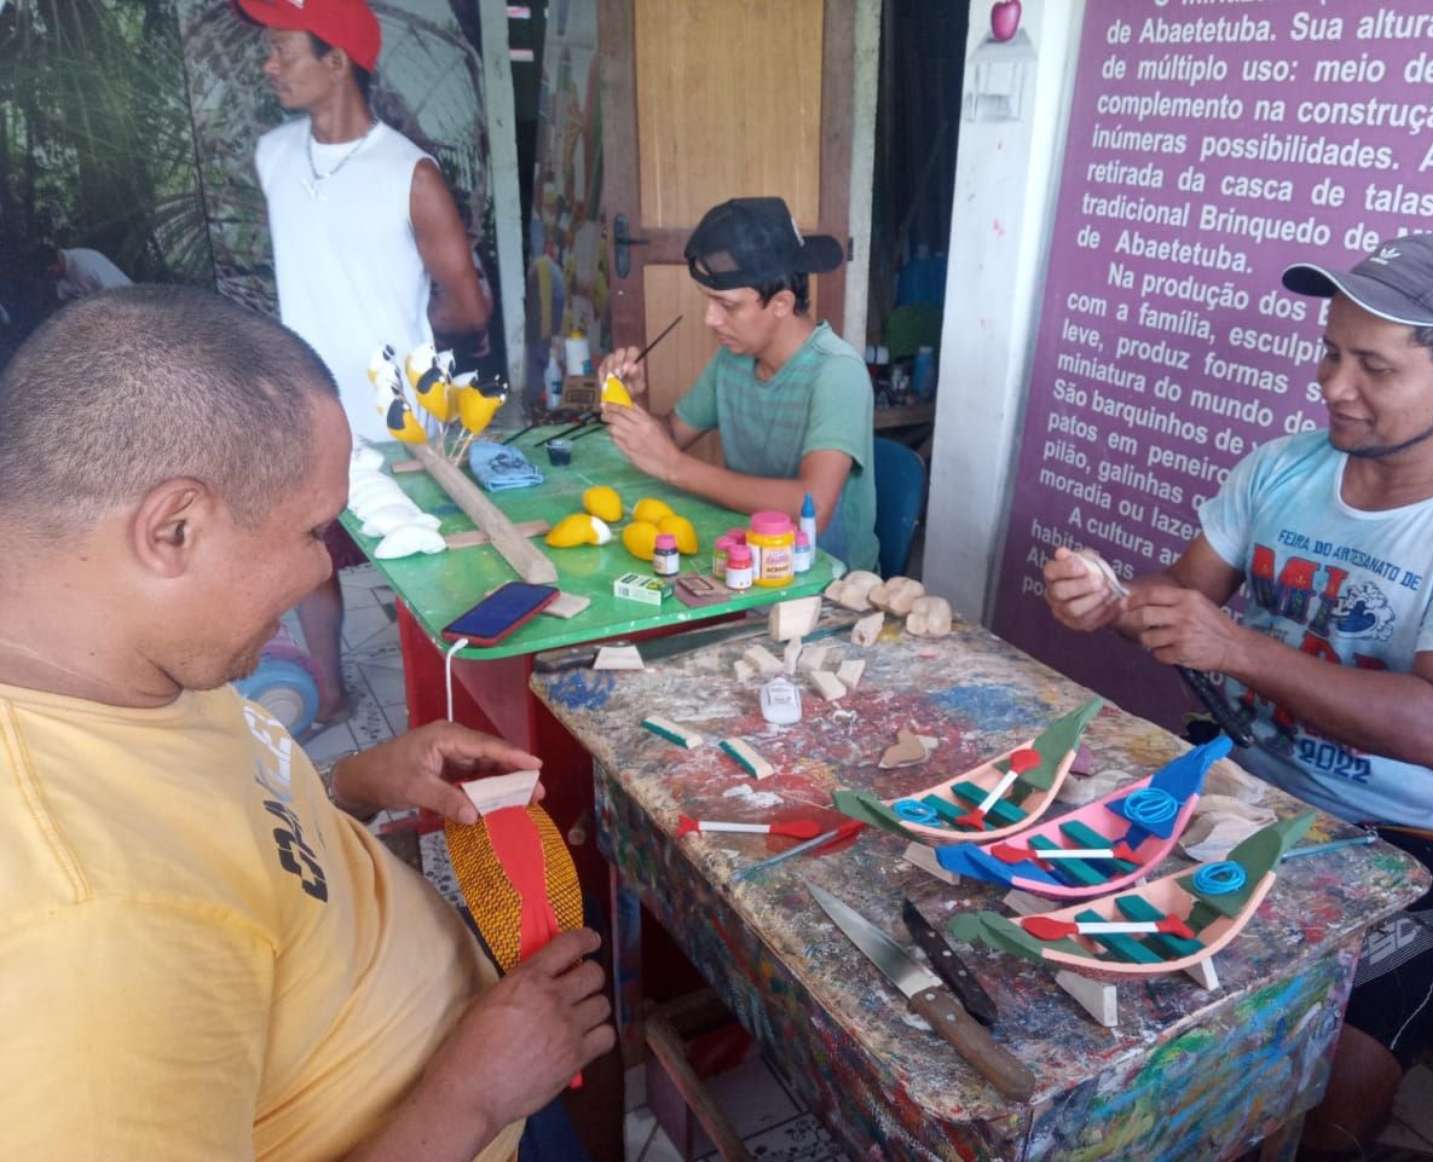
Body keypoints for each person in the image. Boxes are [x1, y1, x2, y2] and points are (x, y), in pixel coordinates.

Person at [0, 287, 613, 1160]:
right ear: (173, 530)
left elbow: (215, 830)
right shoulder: (89, 931)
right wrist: (472, 1095)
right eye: (315, 532)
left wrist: (348, 789)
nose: (326, 567)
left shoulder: (118, 653)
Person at [1042, 233, 1433, 1158]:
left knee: (1327, 1112)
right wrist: (1111, 604)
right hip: (1241, 788)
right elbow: (1182, 606)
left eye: (1372, 366)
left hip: (1411, 843)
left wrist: (1238, 648)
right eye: (1329, 349)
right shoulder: (1284, 467)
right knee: (1070, 988)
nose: (1331, 385)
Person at [241, 0, 492, 724]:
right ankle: (333, 691)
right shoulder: (275, 157)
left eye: (283, 49)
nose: (270, 64)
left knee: (419, 555)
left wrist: (404, 333)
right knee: (307, 548)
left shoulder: (409, 176)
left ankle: (441, 708)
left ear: (337, 60)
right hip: (310, 403)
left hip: (401, 409)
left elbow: (469, 308)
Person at [598, 197, 880, 572]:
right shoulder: (733, 360)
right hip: (749, 562)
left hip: (827, 583)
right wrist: (628, 405)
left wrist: (676, 468)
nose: (709, 319)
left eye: (726, 306)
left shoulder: (837, 373)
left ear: (780, 303)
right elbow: (670, 437)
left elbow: (810, 507)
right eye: (708, 301)